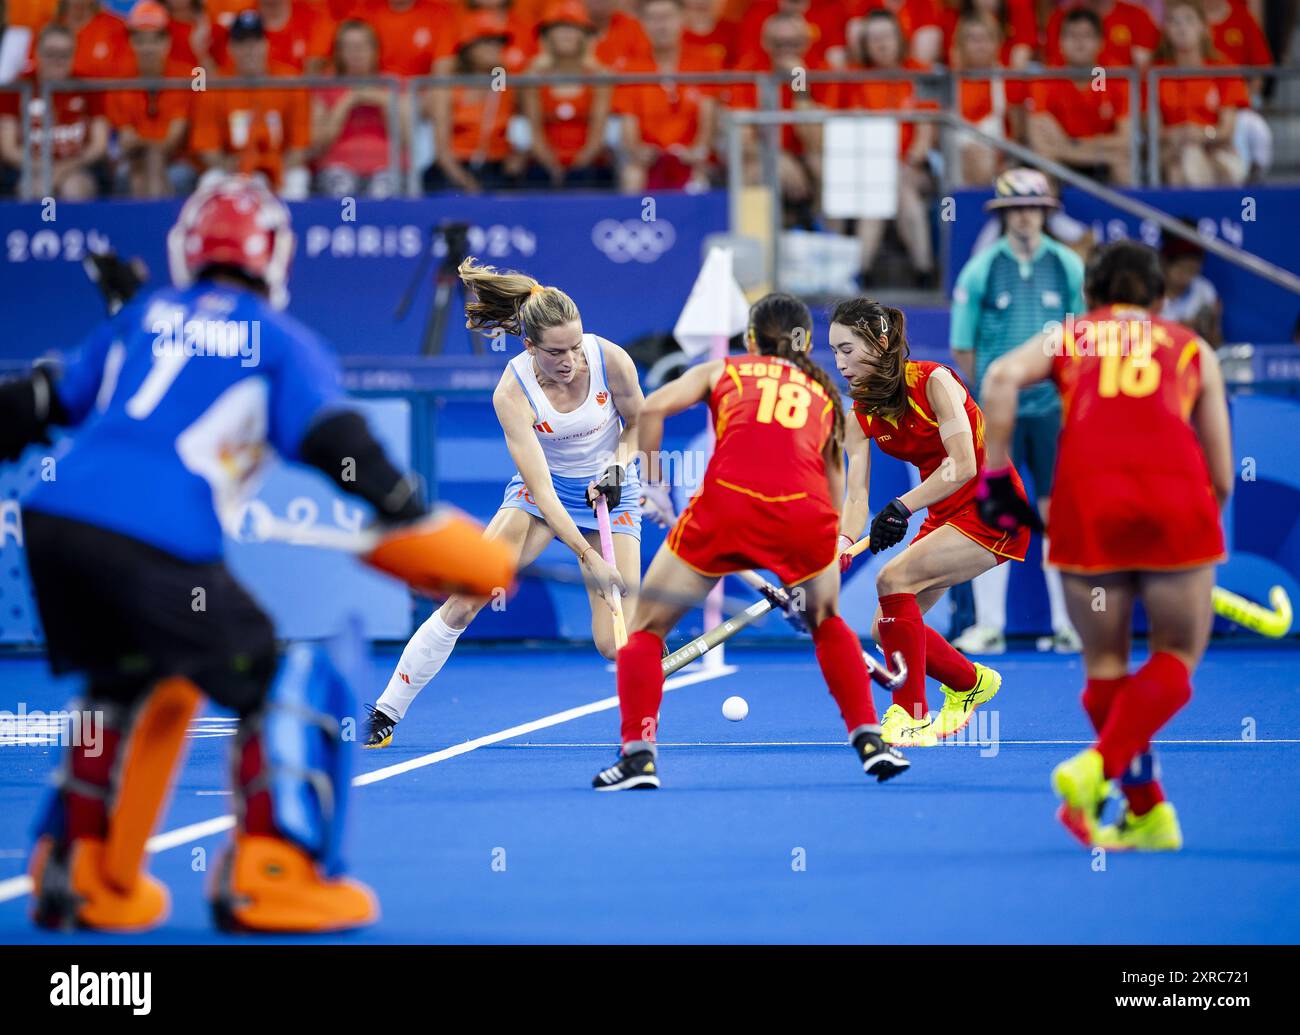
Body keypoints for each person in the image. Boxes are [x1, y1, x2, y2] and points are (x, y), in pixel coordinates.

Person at [0, 174, 508, 931]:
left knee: (127, 687)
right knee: (277, 679)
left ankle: (76, 867)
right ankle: (273, 875)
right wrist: (410, 515)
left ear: (186, 249)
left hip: (55, 523)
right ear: (275, 258)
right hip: (157, 539)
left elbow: (38, 401)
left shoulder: (140, 317)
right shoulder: (277, 337)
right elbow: (333, 441)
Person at [593, 293, 910, 790]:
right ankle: (870, 739)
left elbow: (651, 409)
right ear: (805, 343)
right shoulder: (826, 394)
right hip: (804, 519)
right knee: (827, 624)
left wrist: (652, 484)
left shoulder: (726, 370)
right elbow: (831, 493)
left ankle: (638, 755)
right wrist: (812, 574)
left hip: (726, 509)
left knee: (646, 632)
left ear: (750, 339)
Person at [978, 239, 1233, 851]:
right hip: (1176, 504)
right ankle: (1104, 777)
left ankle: (1143, 811)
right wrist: (1193, 532)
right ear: (1163, 296)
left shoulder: (1075, 334)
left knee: (1105, 669)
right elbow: (1222, 474)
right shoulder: (1192, 347)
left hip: (1088, 508)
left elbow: (999, 376)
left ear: (1088, 296)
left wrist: (995, 480)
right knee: (1175, 658)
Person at [365, 257, 644, 748]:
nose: (569, 361)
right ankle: (387, 711)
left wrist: (618, 466)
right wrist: (588, 555)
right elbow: (540, 488)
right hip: (543, 495)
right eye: (556, 352)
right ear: (528, 345)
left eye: (576, 347)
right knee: (467, 596)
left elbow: (640, 424)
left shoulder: (612, 359)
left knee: (612, 642)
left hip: (611, 491)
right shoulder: (512, 392)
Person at [831, 297, 1031, 746]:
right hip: (945, 515)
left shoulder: (934, 381)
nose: (839, 363)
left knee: (892, 578)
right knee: (888, 625)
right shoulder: (859, 416)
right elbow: (857, 495)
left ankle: (910, 713)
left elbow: (962, 465)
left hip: (990, 507)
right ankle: (969, 681)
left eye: (847, 349)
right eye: (835, 351)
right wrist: (842, 541)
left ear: (879, 342)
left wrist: (902, 507)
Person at [949, 168, 1084, 656]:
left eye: (1034, 209)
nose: (1026, 218)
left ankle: (1068, 625)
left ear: (1045, 213)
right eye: (1017, 210)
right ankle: (990, 627)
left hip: (1050, 410)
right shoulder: (982, 268)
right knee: (997, 514)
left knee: (1056, 515)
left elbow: (1081, 336)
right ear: (1004, 215)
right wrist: (989, 393)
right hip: (998, 414)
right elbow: (964, 347)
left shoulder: (1068, 265)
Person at [1025, 7, 1134, 186]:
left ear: (1100, 42)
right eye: (1072, 35)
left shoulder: (1116, 77)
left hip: (1098, 159)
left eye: (1087, 35)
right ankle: (1050, 214)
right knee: (1043, 159)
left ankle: (1123, 215)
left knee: (1123, 164)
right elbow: (1038, 137)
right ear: (1060, 42)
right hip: (1063, 162)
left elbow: (1126, 140)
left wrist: (1069, 145)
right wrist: (1096, 148)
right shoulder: (1046, 78)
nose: (1079, 42)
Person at [311, 18, 405, 197]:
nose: (357, 53)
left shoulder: (392, 84)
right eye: (350, 48)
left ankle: (377, 225)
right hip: (338, 165)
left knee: (382, 191)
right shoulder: (326, 85)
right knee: (343, 193)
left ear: (375, 50)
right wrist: (347, 102)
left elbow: (406, 138)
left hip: (385, 165)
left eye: (362, 46)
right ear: (339, 53)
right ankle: (348, 225)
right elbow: (319, 143)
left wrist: (381, 99)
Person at [1159, 226, 1222, 348]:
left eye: (1193, 270)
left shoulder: (1204, 291)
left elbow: (1216, 346)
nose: (1187, 276)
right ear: (1165, 264)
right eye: (1182, 268)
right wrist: (1181, 328)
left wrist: (1214, 323)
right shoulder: (1151, 292)